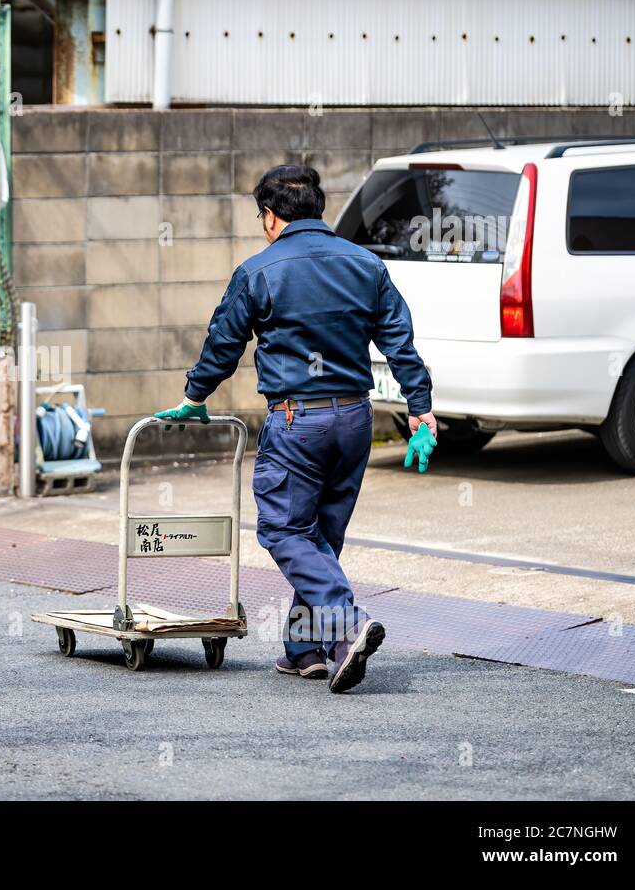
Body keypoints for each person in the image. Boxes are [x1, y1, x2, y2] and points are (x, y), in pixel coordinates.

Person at [154, 165, 435, 693]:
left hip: (296, 420)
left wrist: (194, 398)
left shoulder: (259, 271)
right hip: (354, 418)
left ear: (270, 216)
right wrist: (421, 409)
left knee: (284, 529)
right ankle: (305, 649)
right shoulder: (366, 264)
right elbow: (400, 339)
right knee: (321, 537)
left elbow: (224, 342)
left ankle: (346, 624)